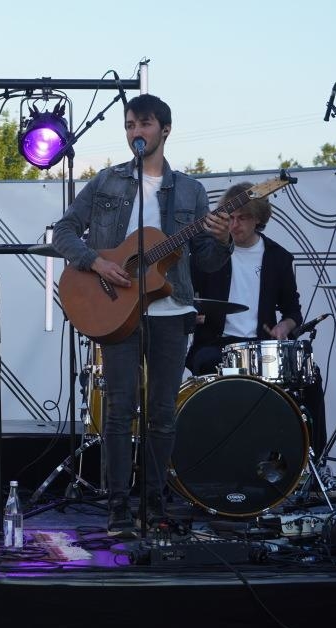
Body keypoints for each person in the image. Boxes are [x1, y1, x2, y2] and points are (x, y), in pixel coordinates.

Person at [51, 94, 233, 538]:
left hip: (172, 309)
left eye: (145, 123)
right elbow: (64, 231)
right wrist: (97, 262)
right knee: (118, 410)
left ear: (164, 130)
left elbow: (207, 262)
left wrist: (223, 239)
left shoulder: (190, 191)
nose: (136, 131)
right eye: (130, 124)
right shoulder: (106, 182)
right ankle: (117, 509)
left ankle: (153, 506)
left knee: (162, 413)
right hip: (117, 308)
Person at [186, 181, 328, 460]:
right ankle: (212, 460)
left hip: (262, 348)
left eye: (242, 218)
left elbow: (293, 311)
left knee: (310, 377)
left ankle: (312, 462)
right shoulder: (208, 254)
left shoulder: (278, 258)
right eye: (230, 217)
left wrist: (284, 327)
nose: (234, 225)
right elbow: (187, 299)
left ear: (259, 219)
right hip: (216, 345)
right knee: (208, 364)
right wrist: (194, 315)